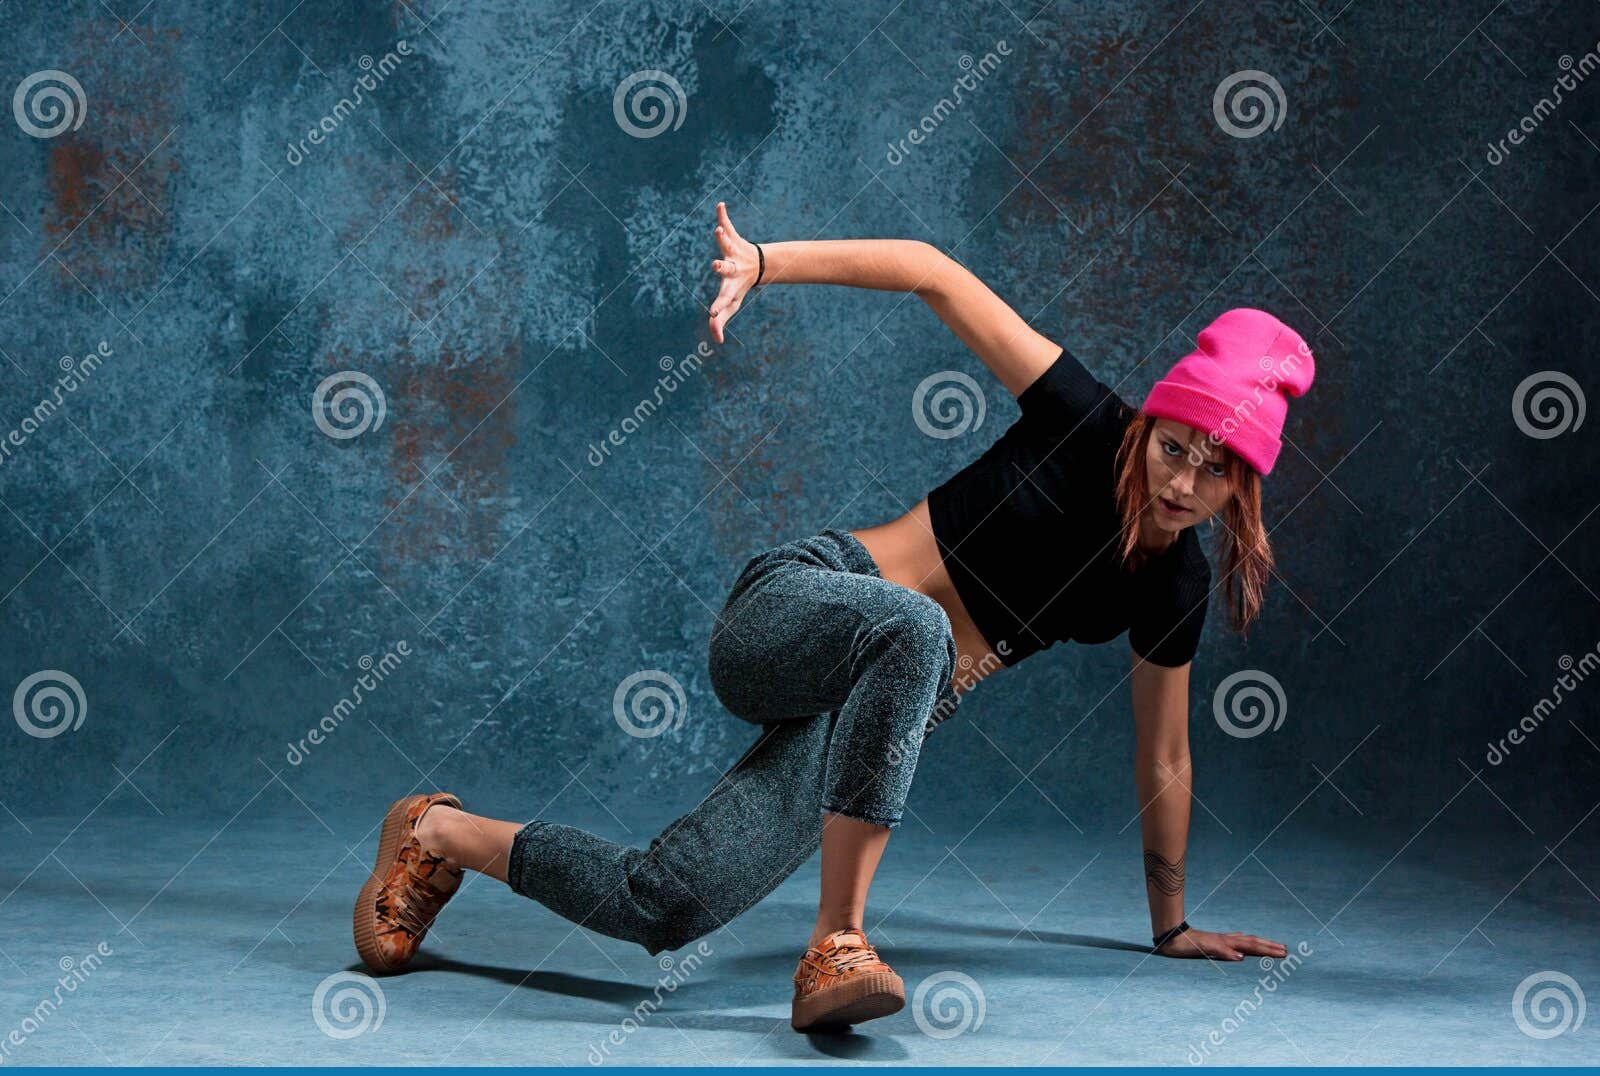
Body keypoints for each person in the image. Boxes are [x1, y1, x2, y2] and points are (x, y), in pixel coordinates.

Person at [352, 203, 1310, 1032]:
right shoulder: (1084, 419)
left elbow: (1168, 756)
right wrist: (766, 263)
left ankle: (436, 834)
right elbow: (934, 275)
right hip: (796, 605)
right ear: (1152, 423)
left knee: (669, 901)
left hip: (871, 724)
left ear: (1246, 482)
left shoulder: (1173, 586)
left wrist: (1171, 924)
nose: (1184, 479)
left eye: (1216, 467)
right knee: (919, 629)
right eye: (1176, 446)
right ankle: (839, 941)